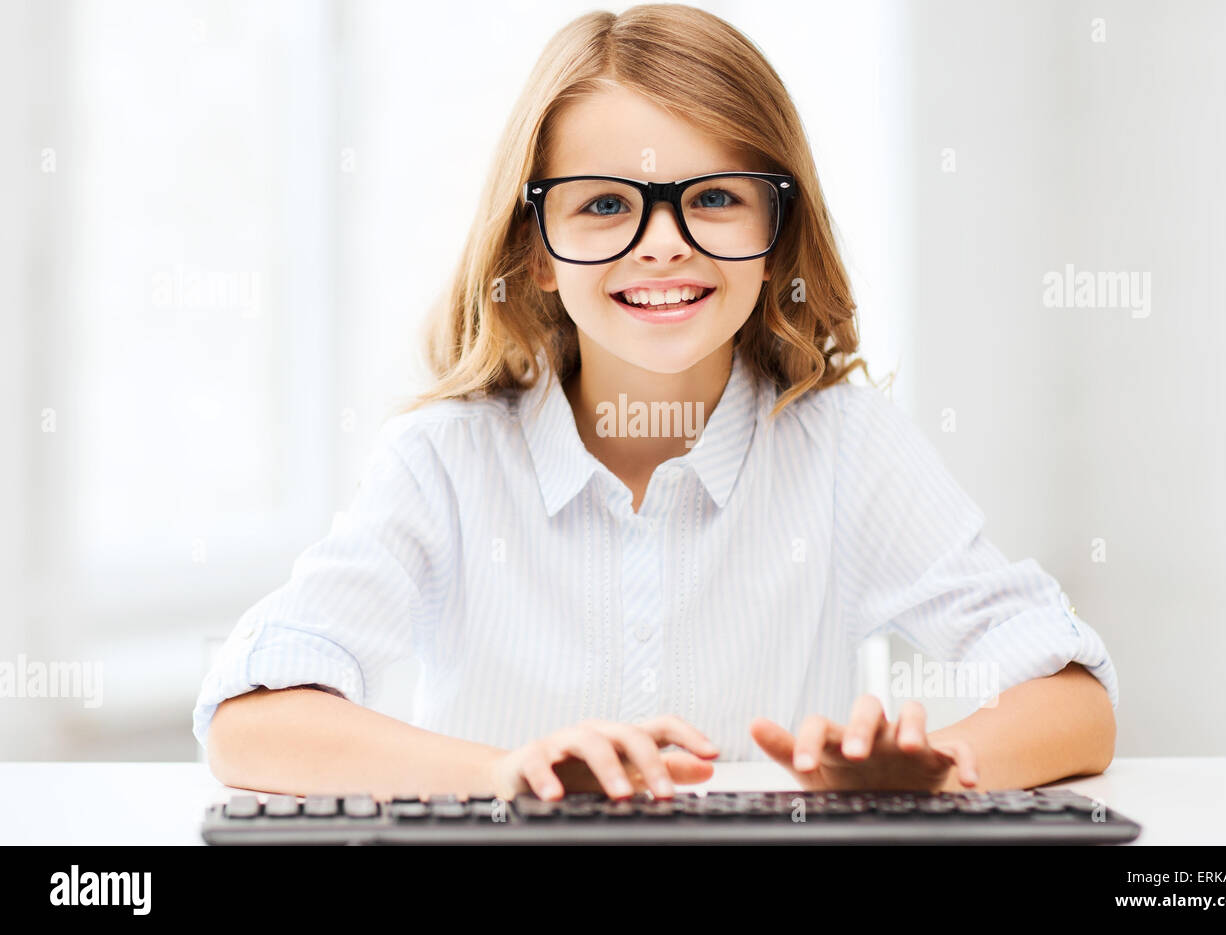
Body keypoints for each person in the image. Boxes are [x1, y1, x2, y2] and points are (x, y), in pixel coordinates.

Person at [195, 4, 1117, 802]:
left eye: (713, 197)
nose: (663, 245)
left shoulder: (845, 447)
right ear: (537, 248)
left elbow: (1076, 700)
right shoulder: (444, 460)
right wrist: (510, 771)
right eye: (604, 205)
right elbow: (250, 719)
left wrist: (942, 767)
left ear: (775, 228)